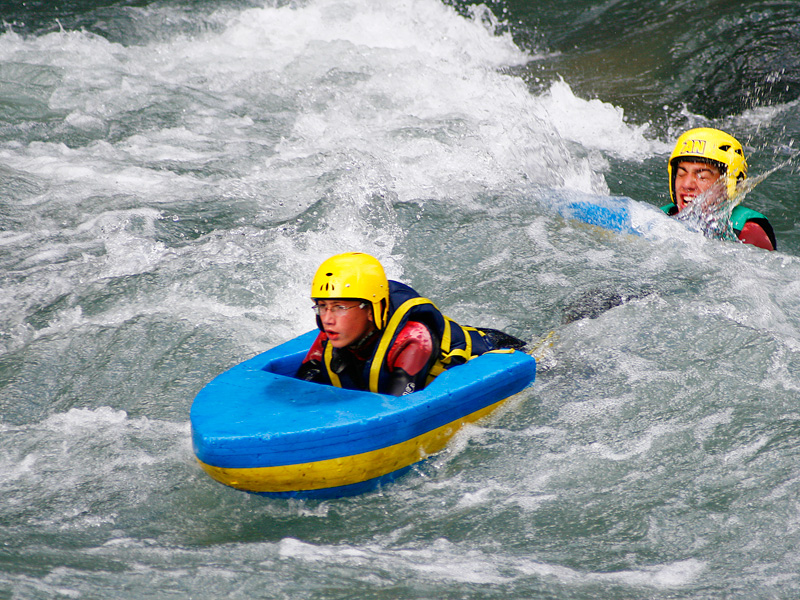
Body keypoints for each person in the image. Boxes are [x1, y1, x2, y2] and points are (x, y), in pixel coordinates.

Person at [295, 252, 525, 396]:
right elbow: (303, 384)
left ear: (370, 310)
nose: (328, 318)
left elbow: (396, 407)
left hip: (494, 350)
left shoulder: (414, 339)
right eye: (322, 306)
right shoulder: (332, 333)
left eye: (340, 307)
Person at [661, 127, 777, 251]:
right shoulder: (659, 217)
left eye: (702, 176)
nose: (687, 184)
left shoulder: (748, 231)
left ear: (731, 184)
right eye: (681, 174)